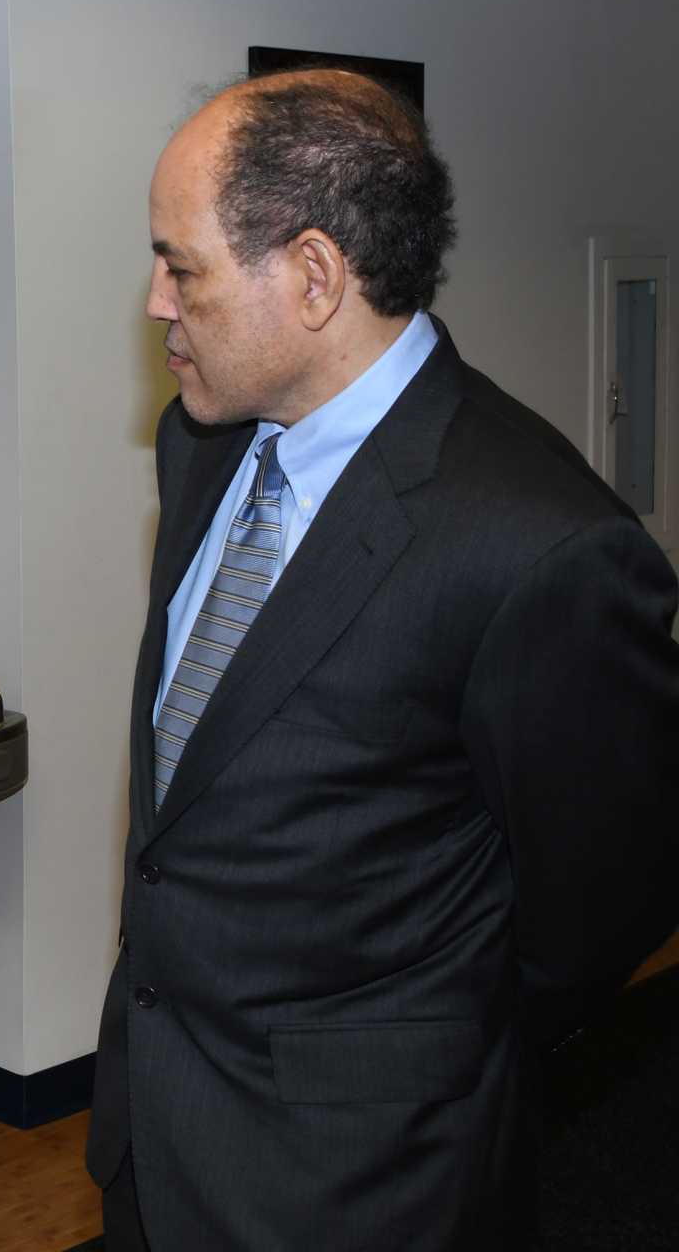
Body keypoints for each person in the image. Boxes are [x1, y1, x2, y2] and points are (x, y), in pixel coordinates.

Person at [87, 68, 679, 1250]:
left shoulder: (536, 544)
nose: (154, 301)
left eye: (180, 264)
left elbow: (595, 915)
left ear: (312, 276)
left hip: (360, 1186)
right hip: (149, 1137)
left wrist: (410, 1044)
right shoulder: (201, 447)